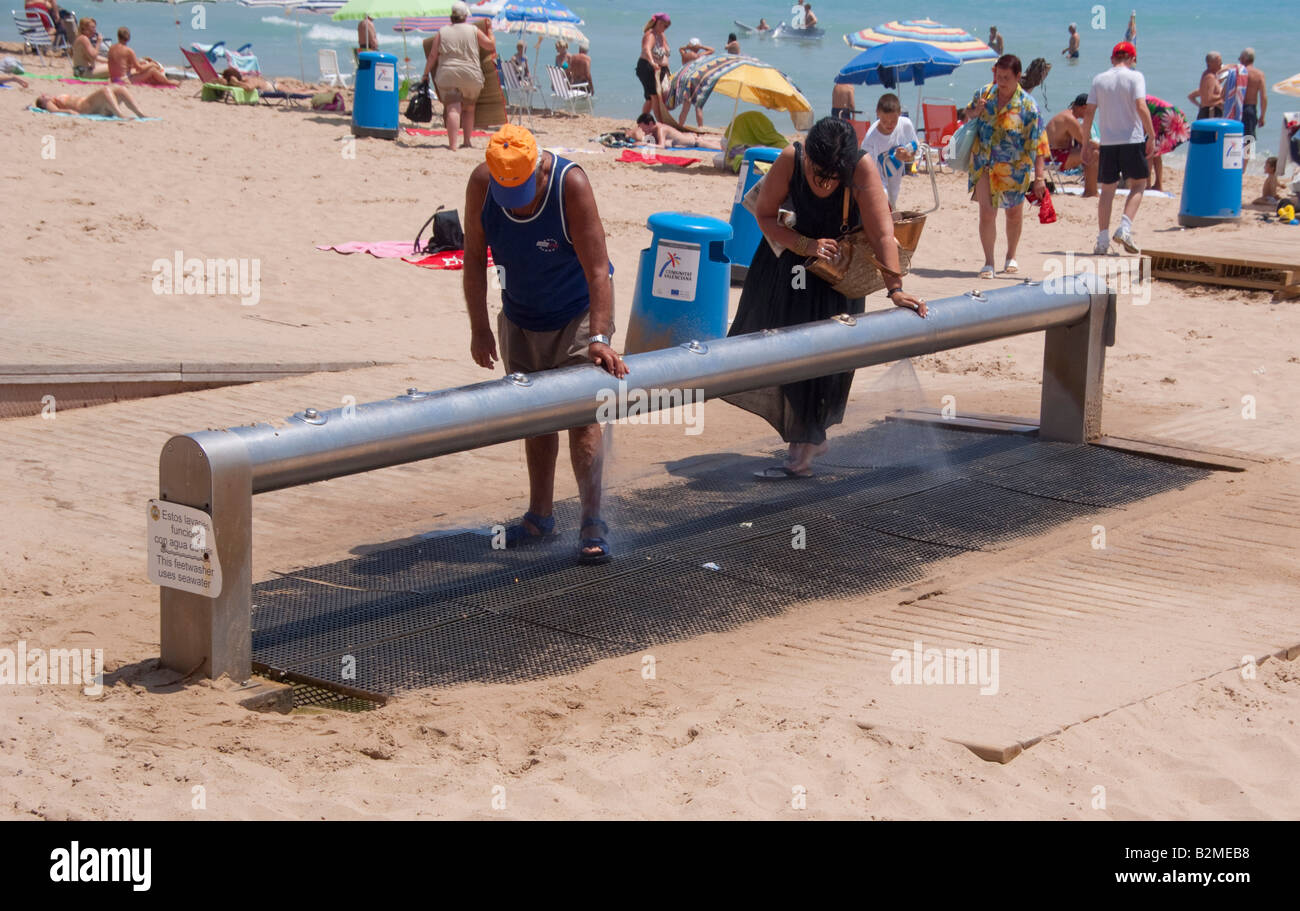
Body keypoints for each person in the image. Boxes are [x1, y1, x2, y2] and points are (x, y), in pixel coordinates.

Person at [723, 118, 926, 480]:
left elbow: (882, 233)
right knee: (782, 353)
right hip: (785, 270)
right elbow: (765, 216)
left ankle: (808, 443)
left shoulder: (861, 167)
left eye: (835, 175)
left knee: (826, 361)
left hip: (836, 279)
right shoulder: (791, 158)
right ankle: (804, 442)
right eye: (819, 173)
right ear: (808, 157)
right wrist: (807, 245)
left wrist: (895, 289)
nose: (825, 182)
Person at [463, 125, 625, 564]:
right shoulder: (481, 184)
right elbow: (475, 258)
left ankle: (592, 520)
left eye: (525, 192)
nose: (521, 203)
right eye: (507, 193)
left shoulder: (570, 185)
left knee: (584, 418)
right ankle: (540, 515)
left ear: (538, 170)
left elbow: (598, 270)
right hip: (520, 318)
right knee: (536, 420)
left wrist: (599, 337)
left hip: (575, 318)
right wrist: (480, 327)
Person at [967, 54, 1049, 277]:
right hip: (984, 163)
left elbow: (1039, 143)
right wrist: (975, 111)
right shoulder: (984, 94)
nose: (1000, 81)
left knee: (1013, 214)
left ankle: (1011, 255)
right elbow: (967, 116)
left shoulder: (1028, 106)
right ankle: (989, 261)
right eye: (998, 76)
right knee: (987, 213)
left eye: (1005, 77)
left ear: (1018, 77)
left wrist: (1039, 178)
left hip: (1015, 168)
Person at [1082, 42, 1156, 254]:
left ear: (1112, 58)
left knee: (1107, 191)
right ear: (1133, 59)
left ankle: (1102, 241)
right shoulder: (1135, 77)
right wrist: (1151, 134)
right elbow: (1141, 107)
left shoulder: (1099, 79)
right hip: (1131, 140)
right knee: (1139, 185)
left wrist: (1086, 141)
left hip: (1108, 142)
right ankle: (1124, 228)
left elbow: (1089, 113)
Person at [422, 1, 495, 151]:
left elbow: (432, 56)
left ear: (451, 17)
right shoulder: (474, 30)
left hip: (448, 74)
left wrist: (425, 74)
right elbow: (489, 45)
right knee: (468, 108)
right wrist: (491, 31)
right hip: (471, 75)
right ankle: (467, 141)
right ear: (466, 16)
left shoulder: (442, 32)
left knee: (453, 109)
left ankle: (453, 145)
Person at [860, 93, 918, 209]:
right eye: (884, 121)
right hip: (878, 179)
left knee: (892, 205)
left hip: (895, 179)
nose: (889, 125)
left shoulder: (905, 124)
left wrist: (907, 156)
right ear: (877, 114)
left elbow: (915, 146)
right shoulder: (870, 140)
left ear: (899, 113)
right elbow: (867, 172)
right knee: (884, 207)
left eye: (893, 121)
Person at [1045, 93, 1100, 197]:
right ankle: (1091, 192)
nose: (1091, 114)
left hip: (1051, 155)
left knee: (1090, 151)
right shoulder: (1069, 119)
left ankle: (1091, 189)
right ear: (1084, 107)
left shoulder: (1067, 115)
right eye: (1091, 110)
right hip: (1053, 157)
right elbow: (1086, 142)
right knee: (1093, 153)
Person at [1144, 94, 1190, 192]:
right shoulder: (1139, 97)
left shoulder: (1135, 102)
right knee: (1155, 152)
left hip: (1167, 117)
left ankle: (1147, 184)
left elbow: (1142, 125)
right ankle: (1158, 184)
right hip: (1174, 114)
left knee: (1149, 151)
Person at [107, 27, 179, 87]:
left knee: (149, 75)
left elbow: (121, 64)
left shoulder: (111, 48)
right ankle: (169, 82)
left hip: (113, 79)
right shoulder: (128, 50)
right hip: (124, 80)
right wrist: (151, 64)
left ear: (118, 36)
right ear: (128, 38)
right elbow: (139, 69)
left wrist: (140, 62)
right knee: (152, 70)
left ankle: (165, 81)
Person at [35, 85, 146, 119]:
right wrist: (69, 111)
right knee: (105, 90)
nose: (44, 95)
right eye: (42, 97)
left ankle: (140, 113)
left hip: (92, 105)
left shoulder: (55, 98)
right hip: (85, 108)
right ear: (43, 103)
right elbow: (55, 111)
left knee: (121, 89)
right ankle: (120, 115)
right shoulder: (49, 103)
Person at [637, 13, 671, 119]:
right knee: (655, 97)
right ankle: (660, 122)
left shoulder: (661, 35)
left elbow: (666, 52)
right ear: (659, 23)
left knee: (651, 99)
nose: (666, 29)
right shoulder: (650, 35)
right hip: (648, 67)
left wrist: (667, 68)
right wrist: (652, 62)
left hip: (660, 70)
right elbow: (646, 49)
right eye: (665, 26)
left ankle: (643, 120)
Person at [632, 113, 721, 148]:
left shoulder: (661, 129)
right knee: (721, 143)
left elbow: (661, 146)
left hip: (696, 142)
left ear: (650, 123)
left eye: (644, 128)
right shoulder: (654, 128)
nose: (643, 131)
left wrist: (645, 144)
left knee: (722, 148)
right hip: (690, 136)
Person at [1238, 48, 1267, 137]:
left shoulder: (1237, 72)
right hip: (1249, 109)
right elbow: (1263, 97)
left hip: (1236, 108)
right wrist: (1262, 116)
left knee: (1234, 139)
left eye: (1240, 58)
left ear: (1244, 59)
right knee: (1249, 141)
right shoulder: (1258, 74)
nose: (1239, 60)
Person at [1188, 52, 1223, 119]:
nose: (1221, 63)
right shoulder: (1210, 77)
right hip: (1211, 113)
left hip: (1208, 112)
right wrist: (1224, 97)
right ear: (1211, 63)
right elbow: (1209, 98)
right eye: (1219, 61)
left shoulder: (1211, 75)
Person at [1221, 54, 1247, 123]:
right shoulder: (1257, 74)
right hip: (1247, 106)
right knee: (1248, 133)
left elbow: (1222, 95)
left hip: (1231, 110)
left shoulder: (1233, 75)